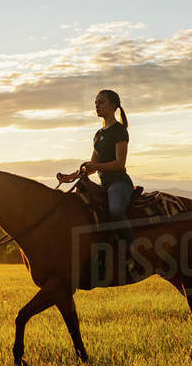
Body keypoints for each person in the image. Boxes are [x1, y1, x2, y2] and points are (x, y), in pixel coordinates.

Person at [58, 89, 140, 278]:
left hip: (119, 182)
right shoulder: (98, 134)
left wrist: (95, 166)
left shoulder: (119, 130)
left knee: (116, 210)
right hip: (104, 184)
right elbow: (92, 166)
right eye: (96, 102)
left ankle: (131, 251)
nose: (96, 105)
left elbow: (120, 164)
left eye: (101, 102)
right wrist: (70, 177)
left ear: (112, 106)